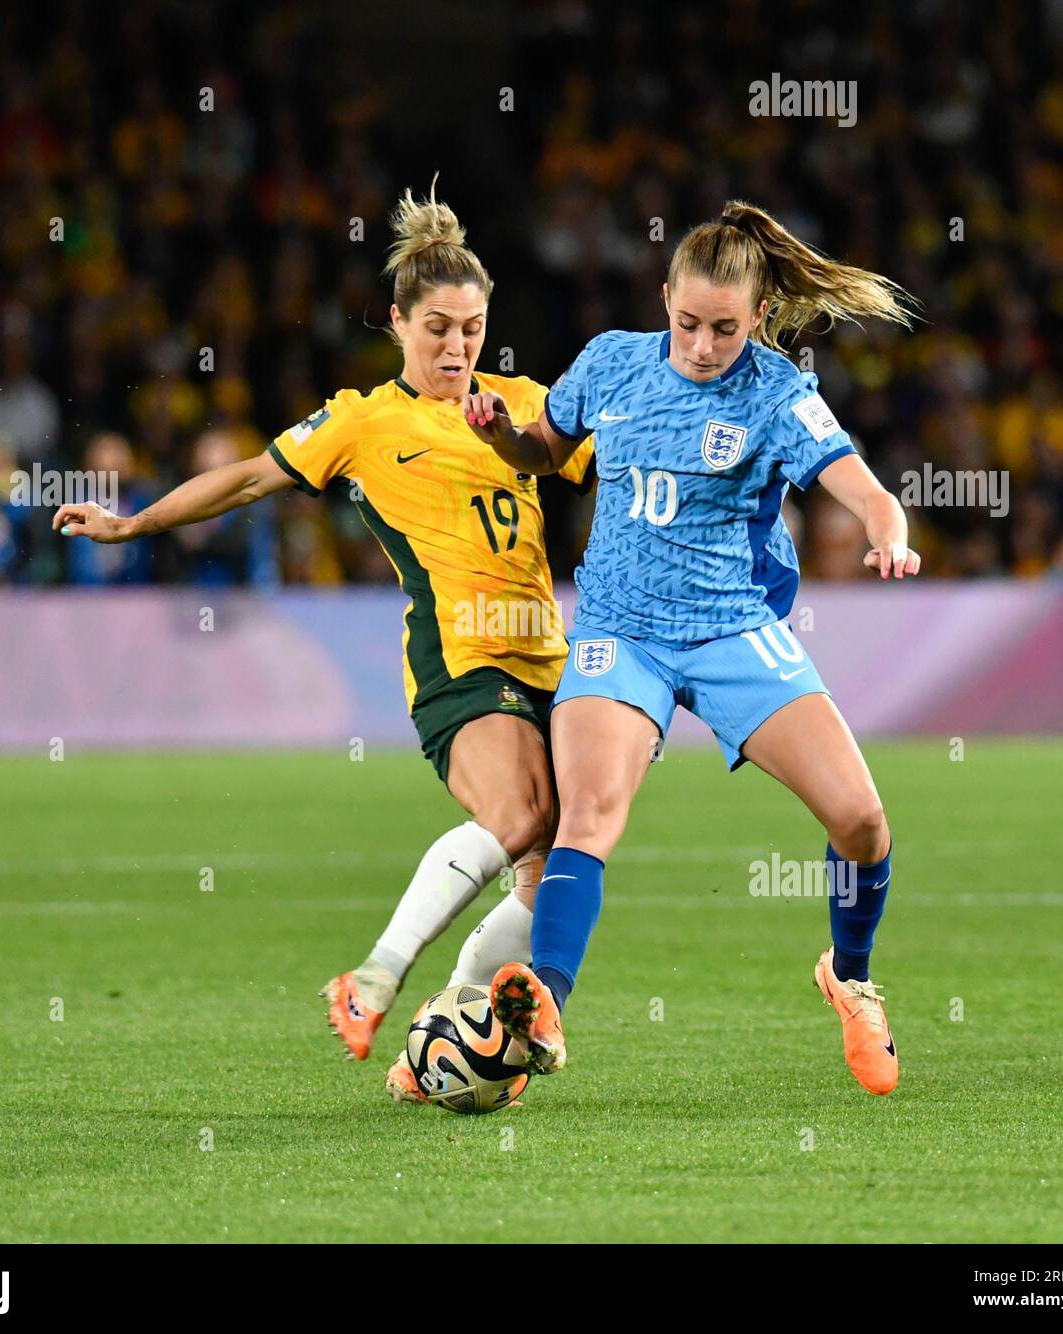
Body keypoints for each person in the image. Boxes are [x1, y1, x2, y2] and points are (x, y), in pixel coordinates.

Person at [52, 185, 593, 1102]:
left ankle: (444, 1039)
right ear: (396, 322)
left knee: (553, 866)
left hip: (553, 662)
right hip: (462, 665)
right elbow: (250, 479)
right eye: (436, 328)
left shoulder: (522, 404)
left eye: (470, 328)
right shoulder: (362, 420)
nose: (456, 348)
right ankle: (376, 975)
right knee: (516, 821)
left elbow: (611, 464)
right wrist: (134, 524)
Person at [463, 201, 919, 1096]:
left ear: (756, 320)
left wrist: (887, 532)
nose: (703, 345)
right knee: (589, 815)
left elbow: (864, 489)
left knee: (862, 822)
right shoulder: (610, 363)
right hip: (620, 632)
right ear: (664, 295)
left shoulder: (778, 393)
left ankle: (851, 976)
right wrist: (502, 437)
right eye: (688, 322)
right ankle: (545, 1005)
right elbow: (544, 452)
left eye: (724, 329)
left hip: (731, 630)